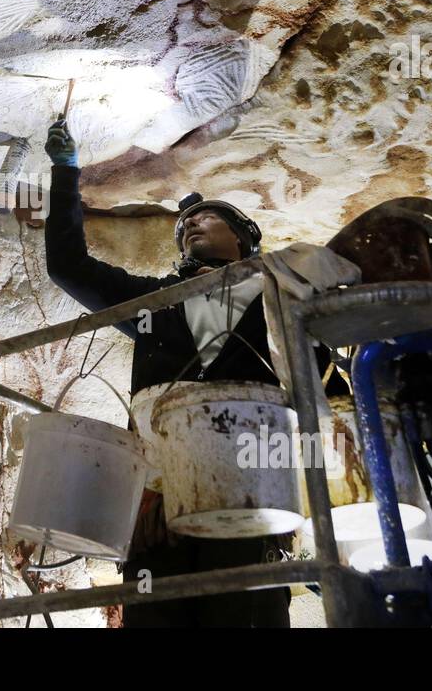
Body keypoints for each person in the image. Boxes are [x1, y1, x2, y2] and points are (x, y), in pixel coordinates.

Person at [42, 119, 345, 627]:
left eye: (208, 219)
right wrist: (65, 174)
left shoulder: (281, 296)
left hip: (252, 492)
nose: (189, 226)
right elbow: (67, 266)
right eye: (184, 226)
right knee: (156, 615)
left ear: (247, 238)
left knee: (245, 612)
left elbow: (322, 378)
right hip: (162, 504)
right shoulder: (156, 304)